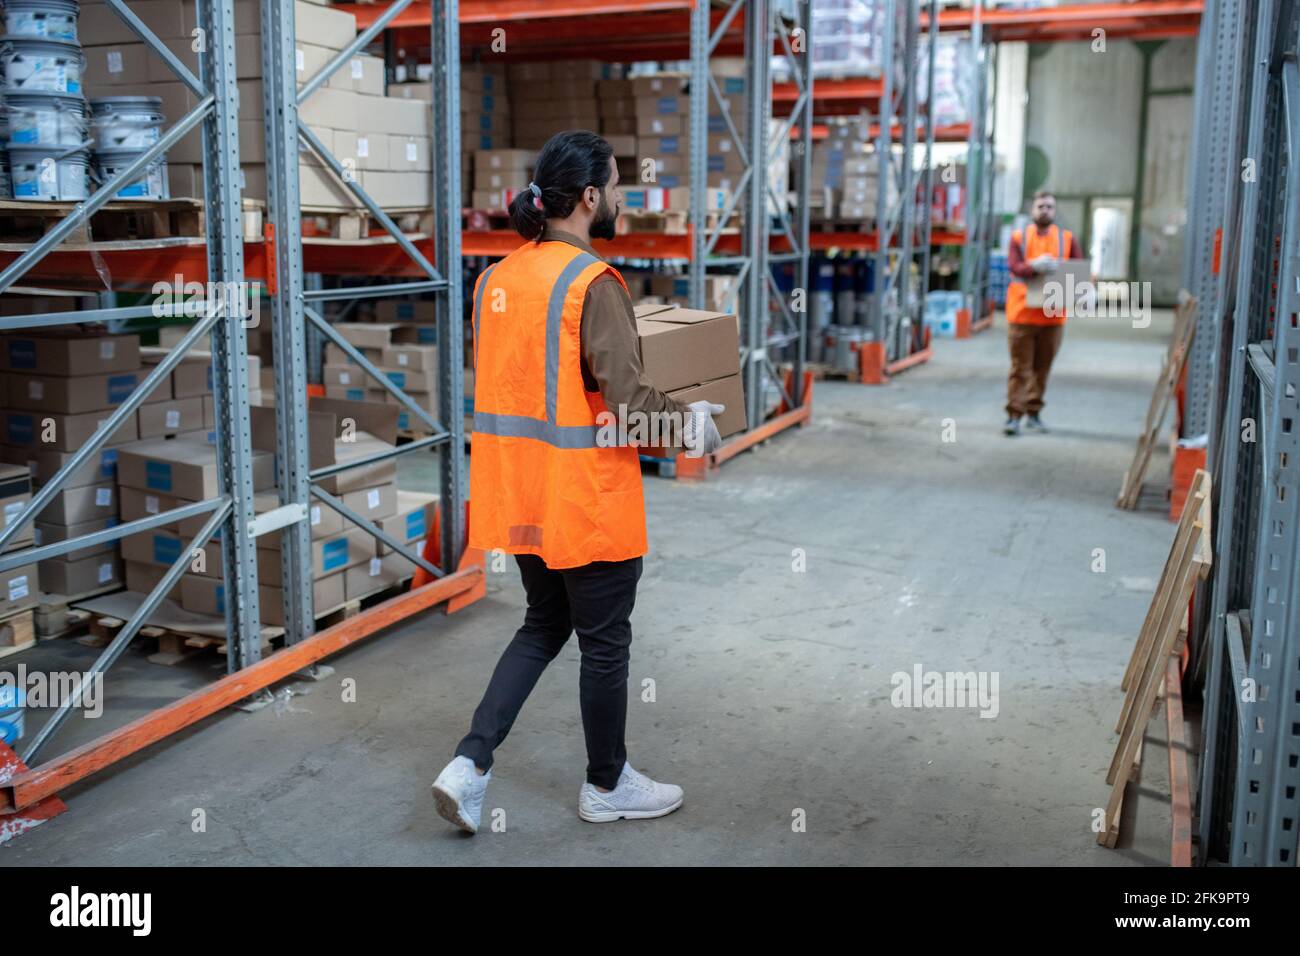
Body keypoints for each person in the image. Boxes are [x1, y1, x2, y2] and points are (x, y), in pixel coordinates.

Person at [430, 130, 725, 833]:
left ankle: (469, 764)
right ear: (591, 197)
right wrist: (693, 426)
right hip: (587, 502)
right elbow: (628, 402)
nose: (621, 199)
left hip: (523, 496)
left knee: (542, 625)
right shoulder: (592, 283)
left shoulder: (498, 279)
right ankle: (607, 784)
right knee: (605, 644)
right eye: (618, 186)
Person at [1003, 189, 1085, 436]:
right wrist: (1032, 266)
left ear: (1055, 210)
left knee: (1042, 367)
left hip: (1053, 315)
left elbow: (1079, 269)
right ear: (1032, 210)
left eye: (1049, 206)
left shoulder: (1067, 239)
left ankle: (1034, 411)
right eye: (1041, 206)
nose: (1045, 210)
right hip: (1022, 315)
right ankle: (1014, 416)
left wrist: (1086, 292)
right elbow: (1014, 266)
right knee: (1020, 367)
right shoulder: (1019, 237)